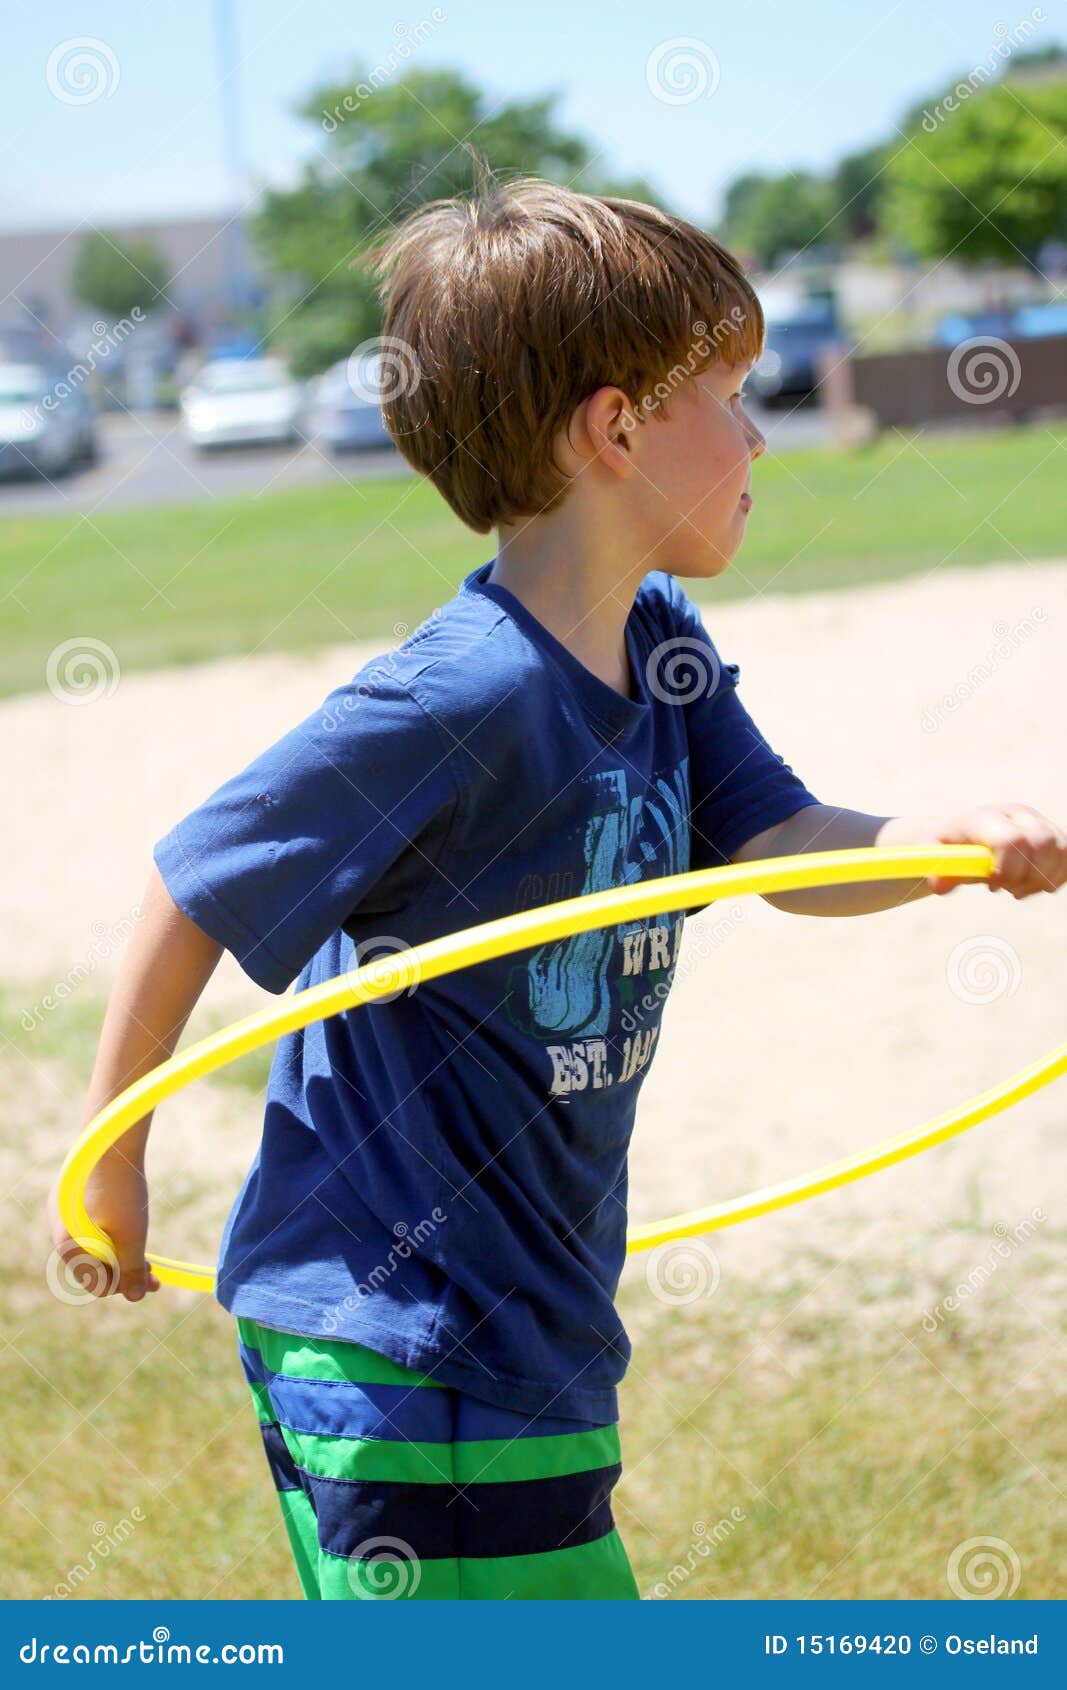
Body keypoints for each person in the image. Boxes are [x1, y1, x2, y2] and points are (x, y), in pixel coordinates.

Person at [47, 178, 1067, 1600]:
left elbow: (779, 842)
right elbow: (197, 880)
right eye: (732, 397)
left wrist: (944, 839)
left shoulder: (659, 641)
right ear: (617, 428)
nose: (759, 435)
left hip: (532, 1312)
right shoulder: (461, 693)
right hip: (397, 1325)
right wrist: (112, 1153)